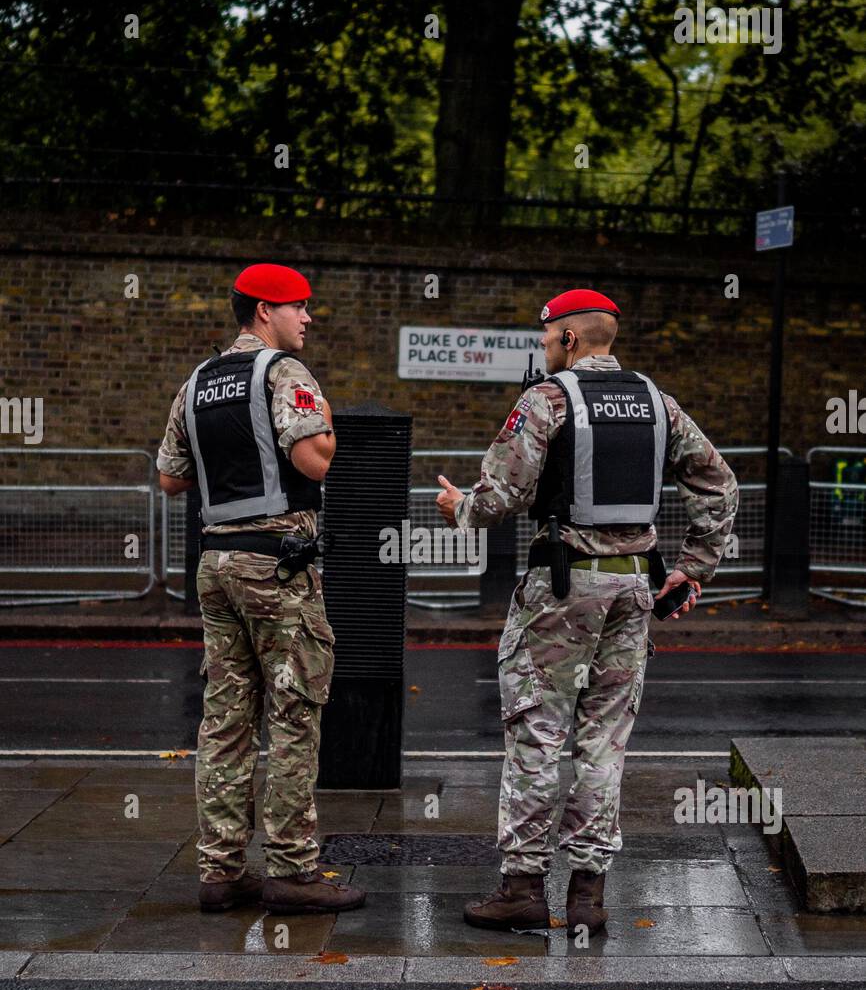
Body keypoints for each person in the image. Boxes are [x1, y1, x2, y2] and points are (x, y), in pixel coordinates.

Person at [436, 288, 738, 937]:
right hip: (634, 592)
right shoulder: (659, 404)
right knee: (604, 741)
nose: (542, 346)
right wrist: (695, 565)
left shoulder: (547, 400)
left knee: (537, 733)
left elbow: (504, 495)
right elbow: (720, 483)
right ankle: (588, 896)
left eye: (546, 336)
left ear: (570, 338)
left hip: (564, 589)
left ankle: (521, 887)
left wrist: (459, 507)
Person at [157, 262, 365, 918]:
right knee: (296, 711)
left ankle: (220, 872)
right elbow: (315, 459)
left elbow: (169, 478)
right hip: (276, 564)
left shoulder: (196, 383)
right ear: (265, 311)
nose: (308, 318)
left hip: (214, 563)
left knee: (224, 719)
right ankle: (294, 871)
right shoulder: (285, 374)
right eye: (300, 307)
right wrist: (328, 420)